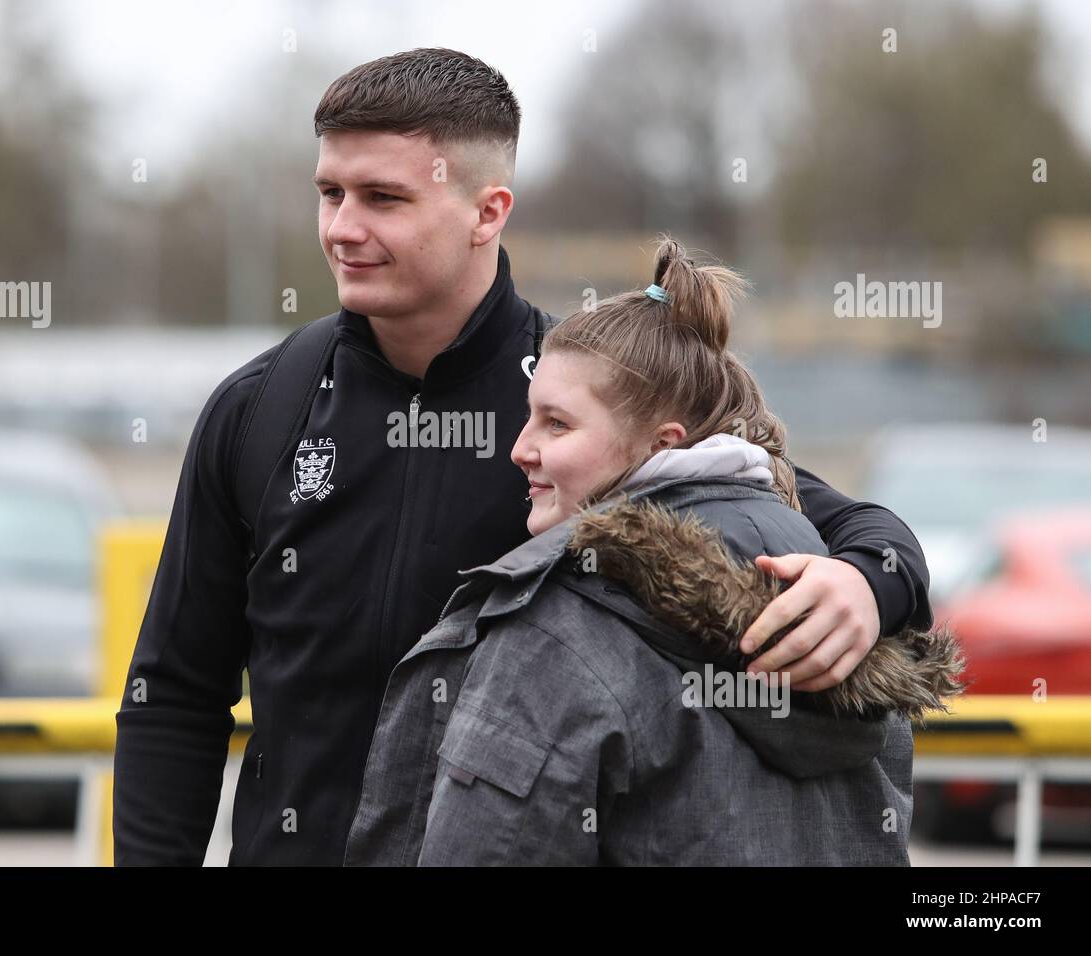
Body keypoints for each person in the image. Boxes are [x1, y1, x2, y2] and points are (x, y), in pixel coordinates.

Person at [113, 49, 934, 867]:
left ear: (488, 211)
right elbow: (175, 695)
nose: (342, 227)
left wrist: (868, 582)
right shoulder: (260, 407)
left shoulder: (592, 401)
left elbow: (837, 519)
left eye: (383, 198)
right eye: (330, 193)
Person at [344, 238, 965, 866]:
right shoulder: (833, 607)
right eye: (529, 417)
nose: (519, 448)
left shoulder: (555, 634)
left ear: (660, 443)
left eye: (556, 424)